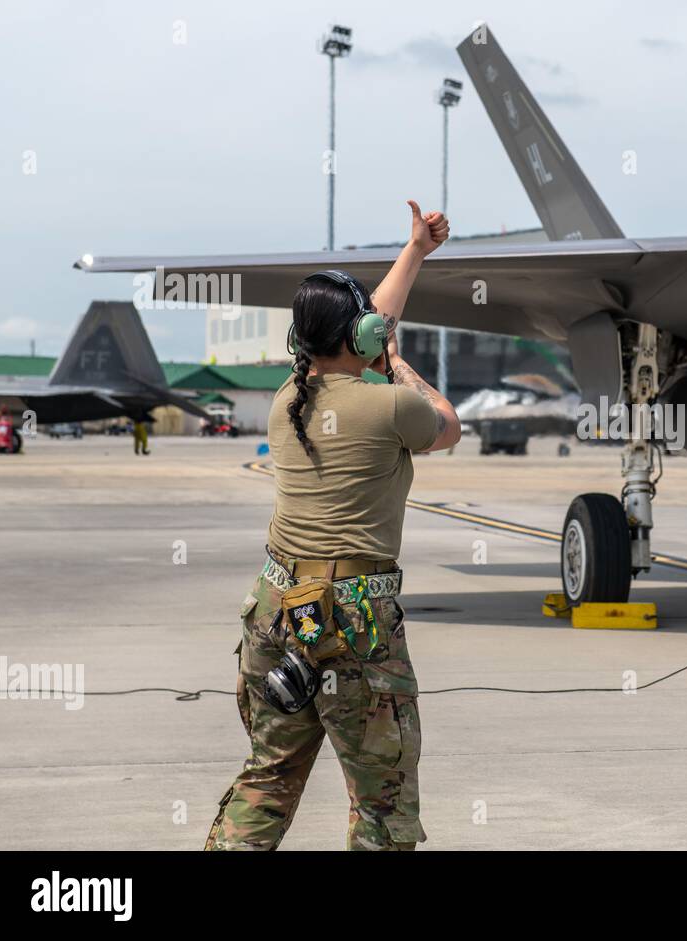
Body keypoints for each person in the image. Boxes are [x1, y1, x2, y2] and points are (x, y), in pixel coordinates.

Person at [206, 199, 459, 850]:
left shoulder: (286, 401)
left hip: (277, 607)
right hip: (355, 619)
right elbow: (448, 424)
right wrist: (396, 357)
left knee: (267, 783)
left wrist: (415, 253)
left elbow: (356, 327)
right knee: (382, 808)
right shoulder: (392, 403)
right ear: (367, 341)